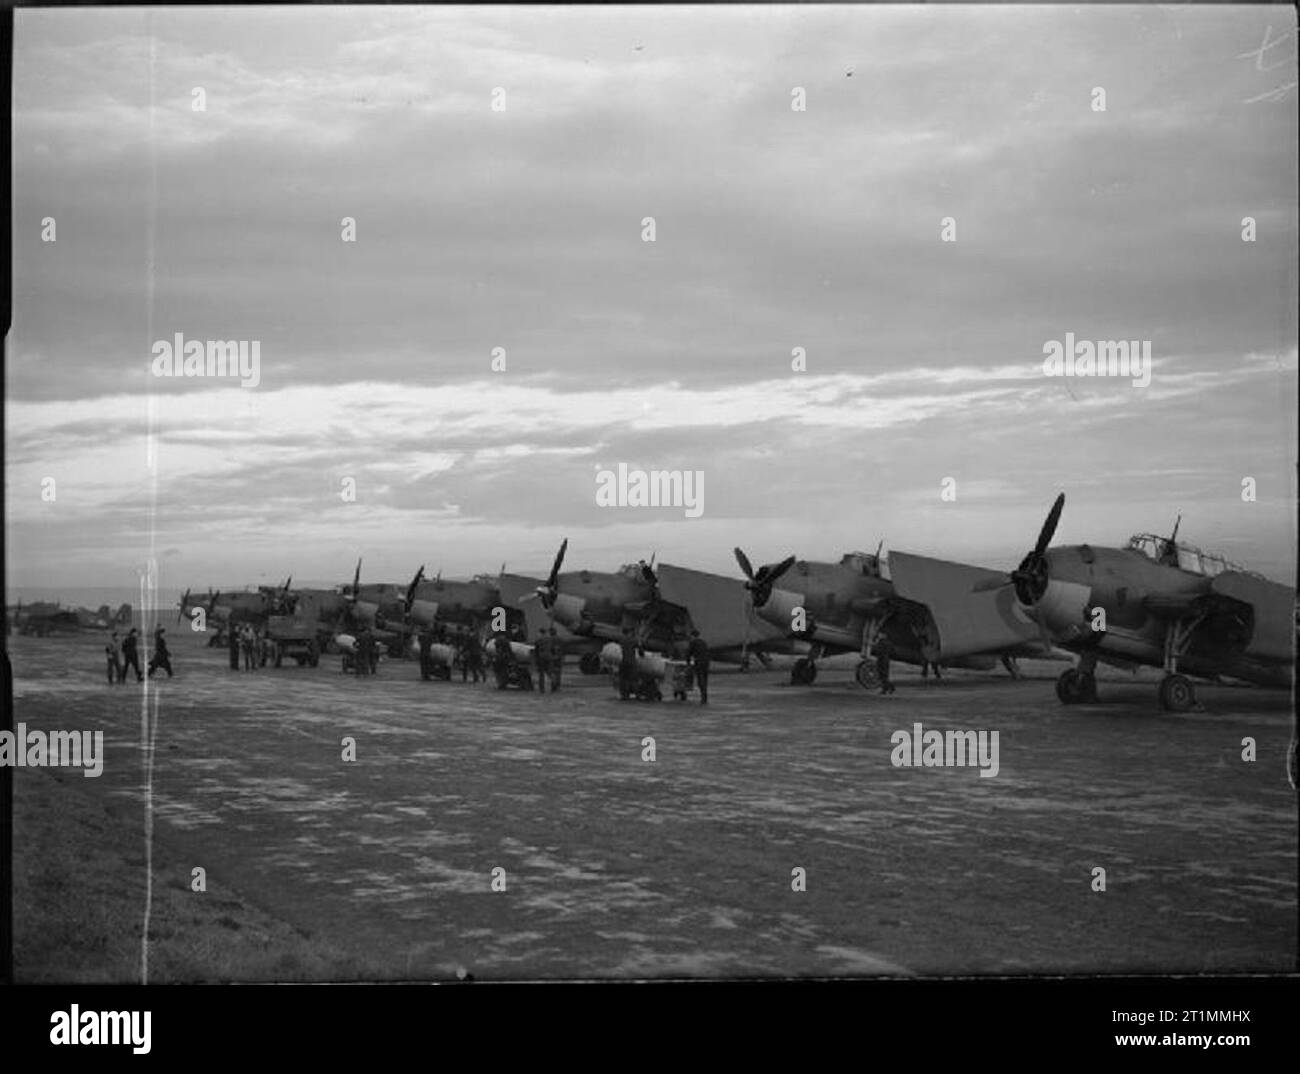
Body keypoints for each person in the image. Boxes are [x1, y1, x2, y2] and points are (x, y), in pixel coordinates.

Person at [686, 629, 710, 704]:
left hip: (699, 663)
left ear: (693, 636)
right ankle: (705, 696)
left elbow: (689, 654)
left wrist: (688, 663)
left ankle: (703, 698)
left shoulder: (693, 643)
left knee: (700, 680)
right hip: (706, 663)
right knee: (705, 680)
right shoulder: (703, 642)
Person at [618, 627, 638, 700]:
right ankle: (636, 693)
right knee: (633, 678)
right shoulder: (633, 640)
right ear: (629, 633)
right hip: (631, 662)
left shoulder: (622, 640)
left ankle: (624, 695)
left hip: (623, 661)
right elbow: (640, 650)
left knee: (623, 679)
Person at [547, 627, 563, 692]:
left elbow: (549, 648)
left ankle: (554, 686)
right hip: (559, 657)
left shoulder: (550, 639)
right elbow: (562, 648)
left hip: (552, 657)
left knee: (552, 672)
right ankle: (558, 686)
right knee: (558, 673)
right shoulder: (560, 639)